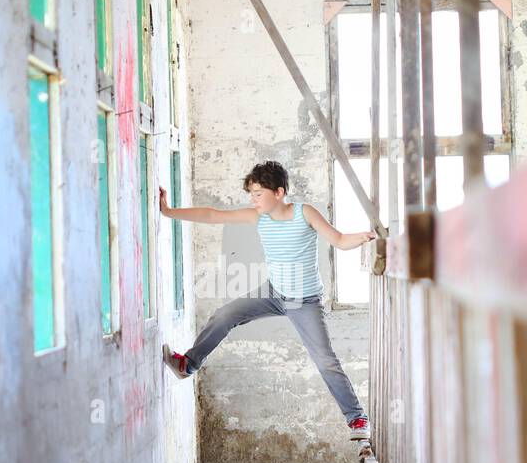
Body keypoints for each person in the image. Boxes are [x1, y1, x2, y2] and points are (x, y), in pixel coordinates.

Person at [158, 160, 376, 440]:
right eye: (251, 193)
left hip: (304, 300)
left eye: (258, 193)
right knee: (225, 314)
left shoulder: (304, 213)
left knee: (325, 360)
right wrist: (168, 211)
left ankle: (357, 418)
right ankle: (187, 365)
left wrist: (362, 237)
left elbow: (339, 239)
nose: (253, 199)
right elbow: (213, 215)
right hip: (274, 292)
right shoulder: (257, 216)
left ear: (279, 192)